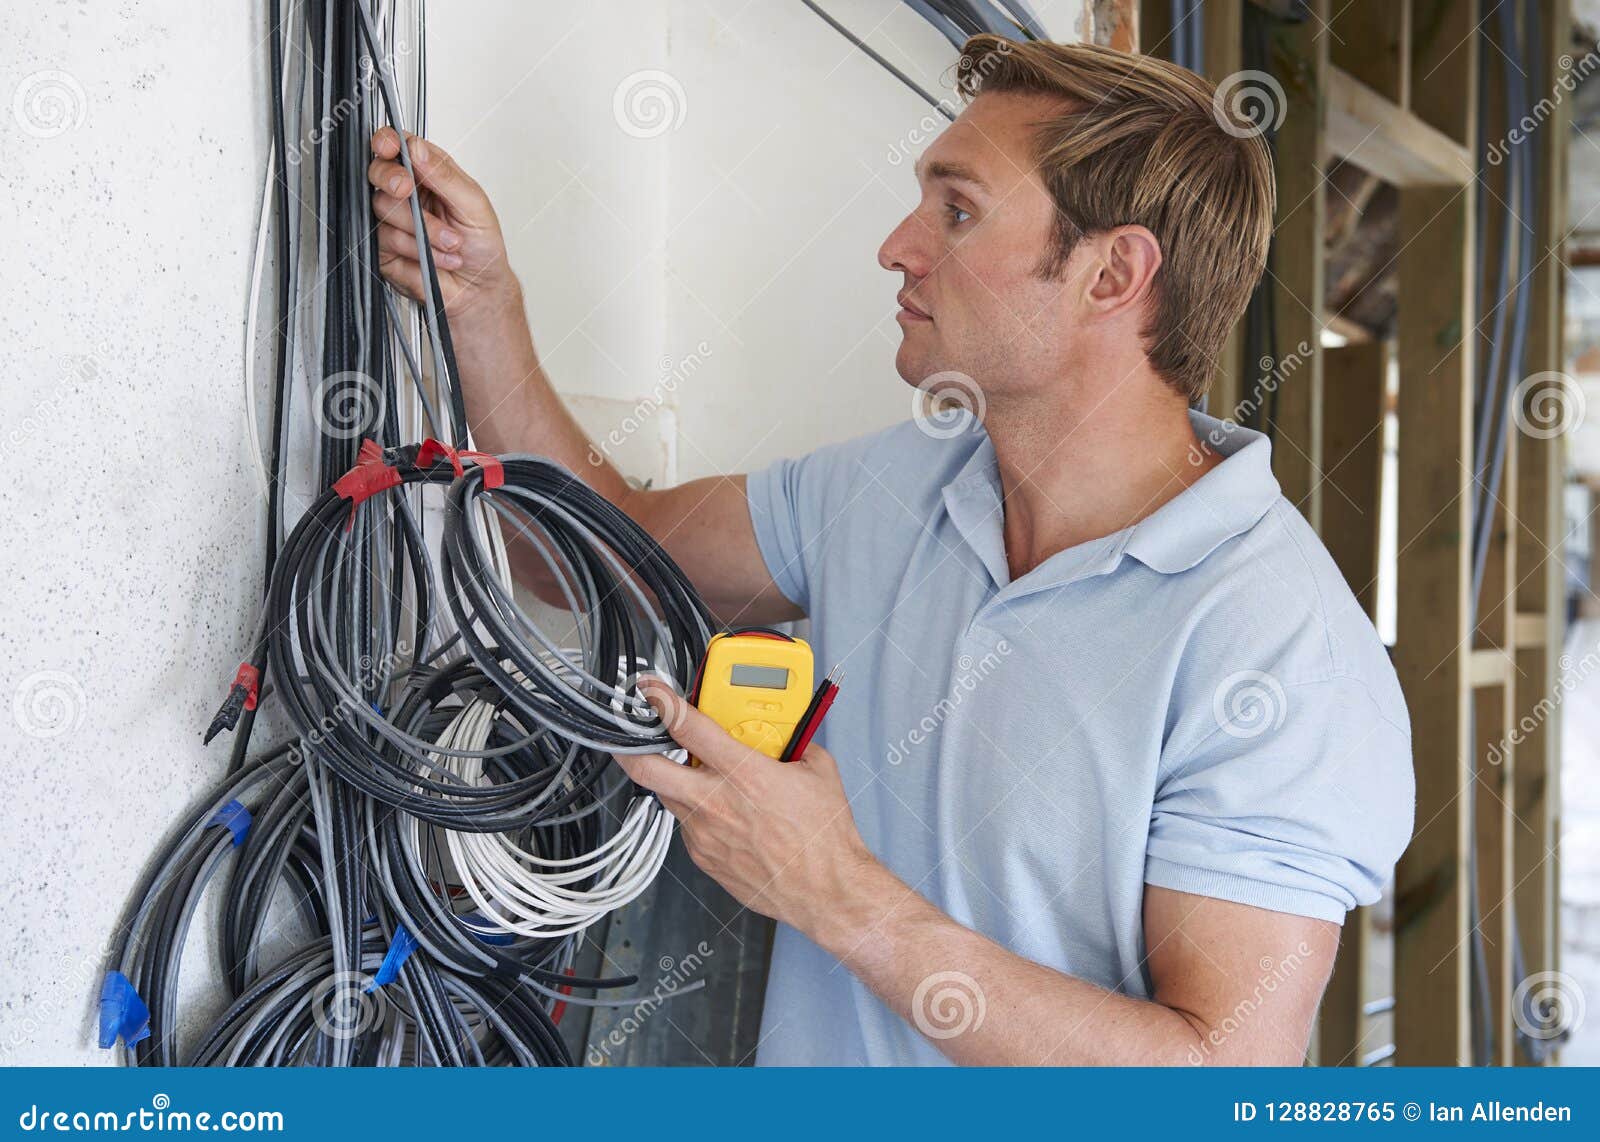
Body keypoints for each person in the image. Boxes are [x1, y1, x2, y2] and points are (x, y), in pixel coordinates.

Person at [368, 35, 1414, 1066]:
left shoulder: (1279, 650)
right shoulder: (900, 484)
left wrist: (837, 893)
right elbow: (591, 557)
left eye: (956, 209)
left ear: (1110, 274)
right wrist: (481, 308)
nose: (898, 245)